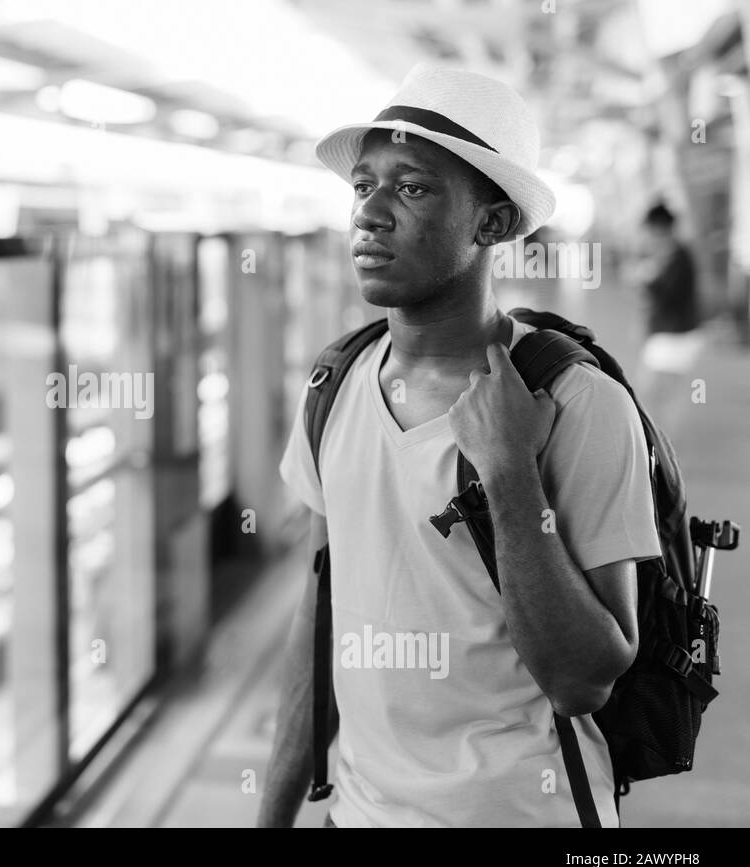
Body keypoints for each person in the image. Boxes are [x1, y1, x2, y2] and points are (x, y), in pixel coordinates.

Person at [257, 64, 662, 827]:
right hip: (360, 814)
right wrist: (273, 812)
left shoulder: (579, 406)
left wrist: (510, 472)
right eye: (363, 185)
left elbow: (584, 681)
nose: (370, 213)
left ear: (494, 225)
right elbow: (321, 611)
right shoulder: (332, 387)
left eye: (411, 188)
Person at [635, 202, 702, 426]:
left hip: (675, 336)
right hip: (671, 334)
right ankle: (664, 447)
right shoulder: (670, 255)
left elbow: (666, 297)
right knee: (657, 394)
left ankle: (663, 448)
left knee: (656, 394)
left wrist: (647, 280)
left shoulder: (677, 258)